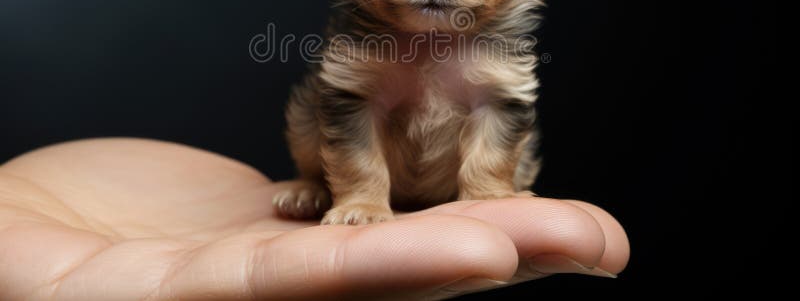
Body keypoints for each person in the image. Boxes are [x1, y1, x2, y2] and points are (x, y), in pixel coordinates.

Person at [0, 138, 629, 299]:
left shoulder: (501, 47)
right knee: (331, 107)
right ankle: (335, 190)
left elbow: (505, 115)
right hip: (359, 183)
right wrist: (352, 192)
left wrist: (491, 188)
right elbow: (346, 115)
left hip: (470, 187)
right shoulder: (367, 41)